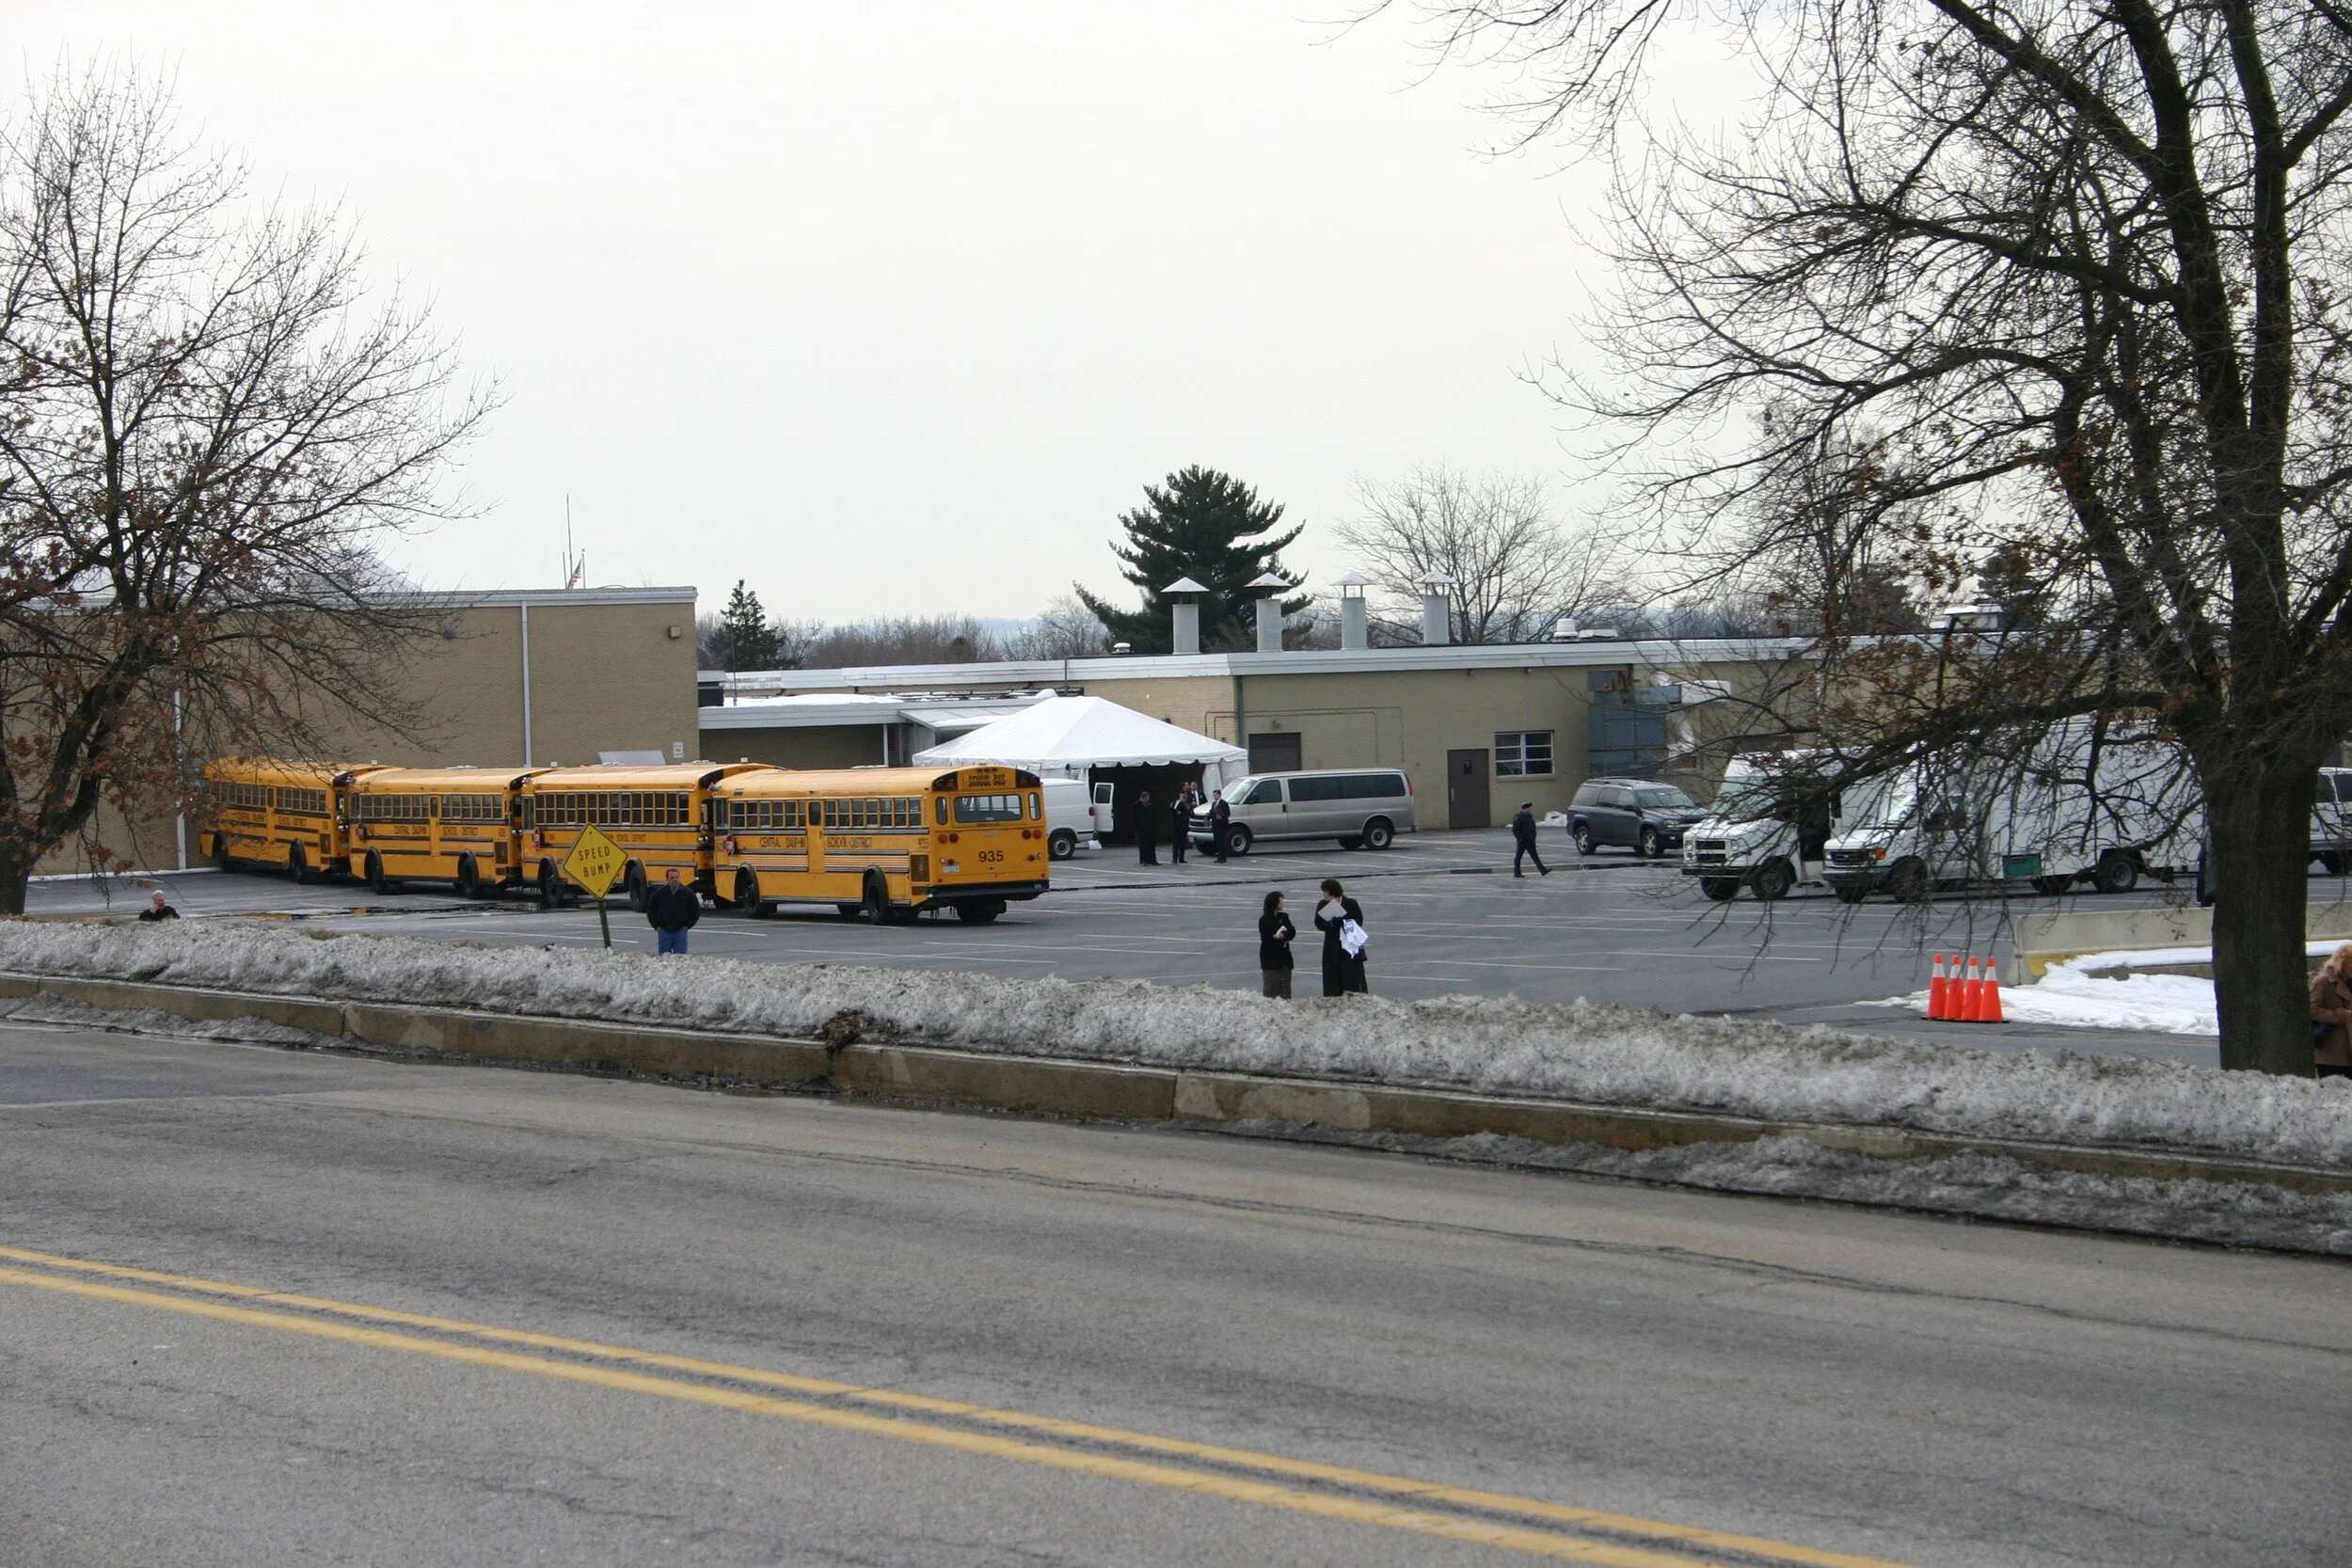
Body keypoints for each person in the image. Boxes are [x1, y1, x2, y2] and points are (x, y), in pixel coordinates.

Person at [1312, 877, 1368, 997]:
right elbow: (1318, 923)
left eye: (1325, 891)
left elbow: (1358, 921)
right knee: (1332, 976)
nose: (1323, 894)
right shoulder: (1322, 904)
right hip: (1332, 946)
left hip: (1349, 945)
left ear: (1332, 892)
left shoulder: (1350, 903)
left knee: (1351, 975)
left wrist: (1344, 922)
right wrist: (1331, 923)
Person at [2310, 942, 2352, 1078]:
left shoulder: (2349, 982)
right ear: (2342, 963)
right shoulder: (2323, 982)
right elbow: (2312, 1010)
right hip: (2330, 1053)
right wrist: (2340, 1015)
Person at [644, 866, 701, 956]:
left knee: (680, 959)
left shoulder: (688, 893)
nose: (674, 880)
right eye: (672, 878)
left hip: (680, 931)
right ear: (667, 879)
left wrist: (687, 925)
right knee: (664, 960)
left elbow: (696, 911)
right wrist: (656, 926)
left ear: (679, 878)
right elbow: (650, 909)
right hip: (664, 931)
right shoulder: (660, 893)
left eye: (676, 877)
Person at [1258, 891, 1295, 998]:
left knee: (1285, 989)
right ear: (1274, 903)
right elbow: (1267, 939)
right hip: (1271, 960)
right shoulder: (1264, 920)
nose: (1283, 903)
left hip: (1284, 959)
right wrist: (1281, 938)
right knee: (1271, 989)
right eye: (1281, 901)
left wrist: (1282, 937)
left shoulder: (1284, 916)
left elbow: (1292, 931)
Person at [1510, 802, 1551, 879]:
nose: (1531, 809)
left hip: (1530, 840)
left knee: (1535, 856)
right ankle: (1517, 872)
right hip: (1523, 840)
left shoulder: (1529, 816)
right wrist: (1520, 838)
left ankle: (1543, 870)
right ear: (1526, 808)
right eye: (1529, 807)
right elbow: (1515, 829)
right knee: (1519, 856)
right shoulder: (1519, 817)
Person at [1135, 790, 1159, 864]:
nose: (1148, 799)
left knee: (1151, 844)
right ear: (1143, 798)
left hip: (1150, 828)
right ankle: (1143, 860)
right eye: (1147, 798)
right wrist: (1138, 827)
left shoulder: (1150, 805)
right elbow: (1134, 817)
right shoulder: (1136, 805)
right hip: (1141, 829)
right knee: (1143, 845)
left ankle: (1153, 860)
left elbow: (1154, 815)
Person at [1207, 789, 1232, 863]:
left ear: (1219, 795)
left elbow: (1227, 813)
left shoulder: (1223, 803)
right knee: (1217, 841)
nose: (1214, 796)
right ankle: (1219, 857)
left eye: (1215, 795)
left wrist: (1222, 816)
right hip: (1215, 824)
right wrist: (1208, 817)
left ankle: (1223, 857)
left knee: (1222, 841)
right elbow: (1212, 812)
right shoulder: (1214, 803)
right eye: (1213, 795)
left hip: (1222, 825)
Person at [1171, 785, 1194, 863]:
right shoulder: (1175, 803)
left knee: (1182, 843)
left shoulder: (1186, 805)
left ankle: (1181, 858)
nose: (1184, 798)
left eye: (1185, 797)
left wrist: (1189, 809)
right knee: (1175, 843)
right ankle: (1174, 858)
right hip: (1176, 826)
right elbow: (1172, 810)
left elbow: (1191, 814)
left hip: (1184, 826)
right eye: (1182, 797)